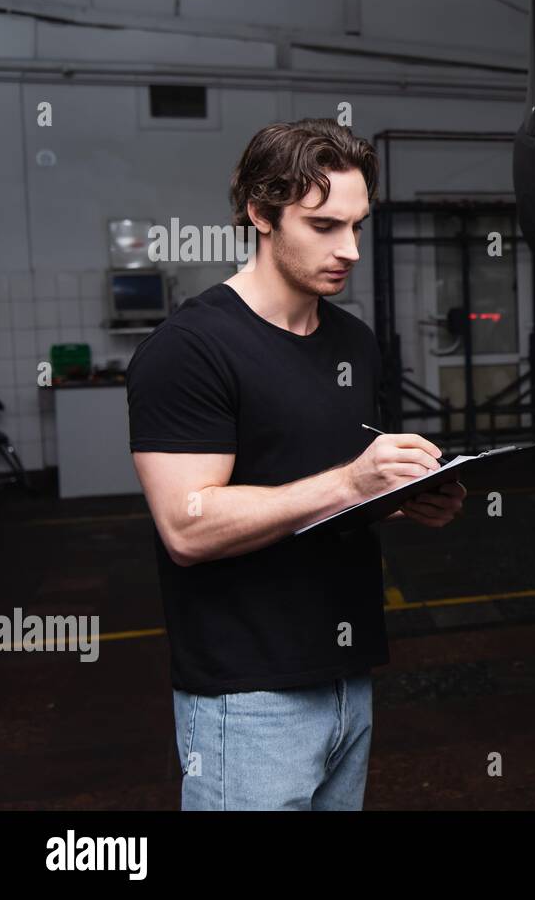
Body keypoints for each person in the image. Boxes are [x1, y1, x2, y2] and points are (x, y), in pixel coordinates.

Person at [126, 118, 466, 810]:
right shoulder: (191, 349)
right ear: (260, 213)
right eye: (323, 225)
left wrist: (399, 495)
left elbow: (319, 493)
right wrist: (350, 480)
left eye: (358, 225)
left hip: (348, 677)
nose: (349, 249)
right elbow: (187, 527)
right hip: (247, 698)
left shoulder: (354, 341)